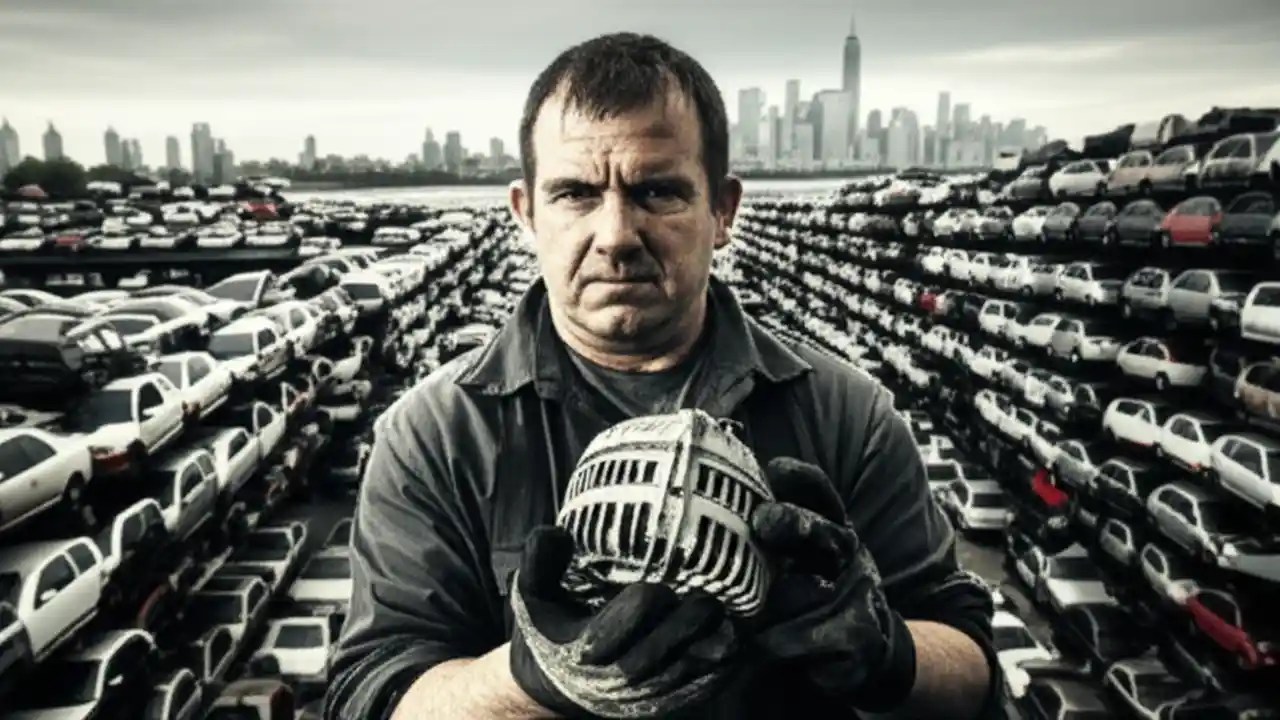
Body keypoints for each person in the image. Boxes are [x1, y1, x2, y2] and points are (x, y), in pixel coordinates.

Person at [326, 32, 999, 720]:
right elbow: (372, 697)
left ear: (724, 211)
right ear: (525, 216)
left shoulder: (846, 414)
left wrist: (889, 655)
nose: (616, 234)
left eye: (657, 191)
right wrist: (529, 678)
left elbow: (972, 662)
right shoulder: (433, 437)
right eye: (576, 193)